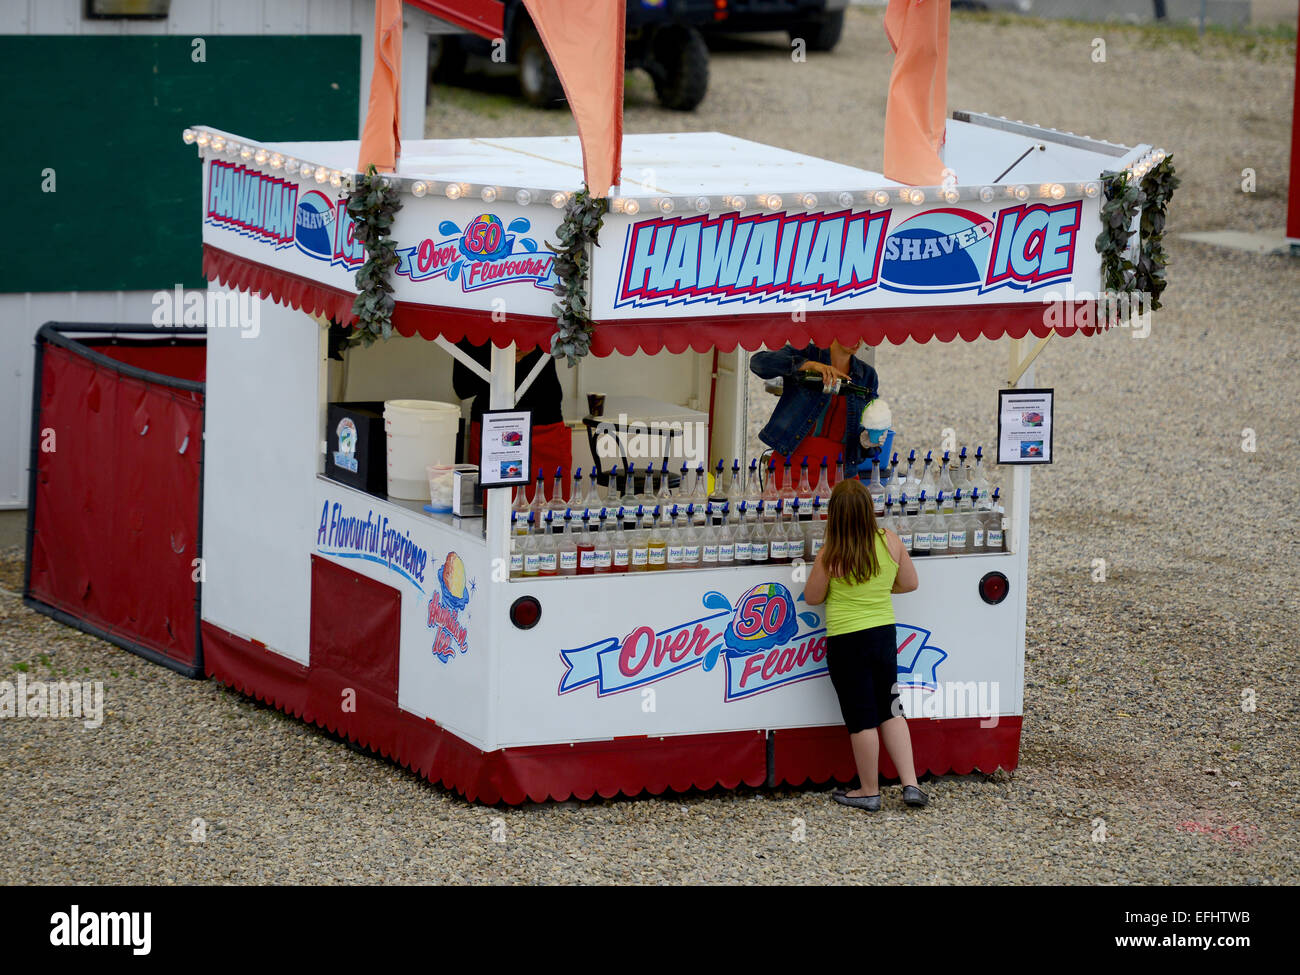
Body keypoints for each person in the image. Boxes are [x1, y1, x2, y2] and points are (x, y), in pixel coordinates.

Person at [803, 478, 927, 811]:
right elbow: (910, 583)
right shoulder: (890, 541)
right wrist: (880, 590)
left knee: (862, 717)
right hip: (883, 633)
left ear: (835, 515)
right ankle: (911, 784)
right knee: (891, 708)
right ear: (869, 511)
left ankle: (869, 791)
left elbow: (812, 597)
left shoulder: (832, 552)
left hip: (847, 640)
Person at [748, 340, 879, 490]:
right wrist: (809, 365)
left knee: (842, 513)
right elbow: (758, 363)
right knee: (782, 512)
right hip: (791, 466)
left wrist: (867, 440)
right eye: (853, 331)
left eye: (863, 333)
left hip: (842, 472)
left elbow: (869, 427)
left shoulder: (867, 375)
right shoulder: (806, 353)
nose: (858, 340)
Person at [451, 339, 572, 500]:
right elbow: (463, 386)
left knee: (549, 512)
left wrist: (537, 343)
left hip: (544, 424)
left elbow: (572, 335)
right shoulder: (472, 323)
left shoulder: (543, 320)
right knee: (493, 511)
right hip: (493, 428)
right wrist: (500, 354)